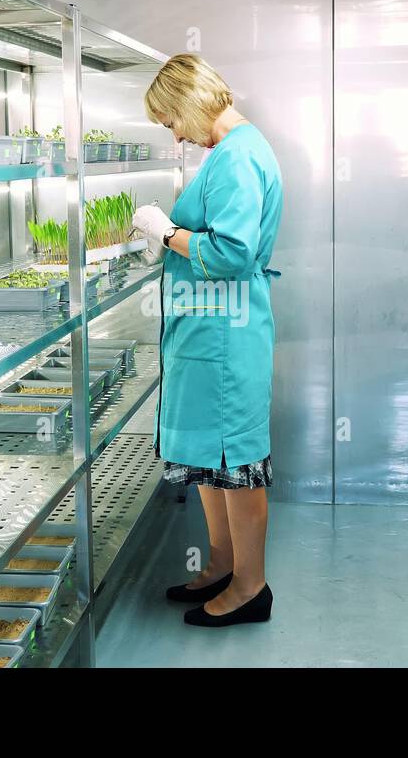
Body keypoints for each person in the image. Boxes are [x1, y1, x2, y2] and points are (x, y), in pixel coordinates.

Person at [131, 53, 283, 628]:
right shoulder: (231, 153)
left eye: (171, 119)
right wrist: (170, 240)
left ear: (190, 101)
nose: (175, 133)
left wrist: (168, 233)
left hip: (226, 338)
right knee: (211, 463)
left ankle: (250, 587)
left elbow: (232, 254)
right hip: (210, 331)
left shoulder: (240, 156)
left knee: (237, 464)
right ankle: (223, 564)